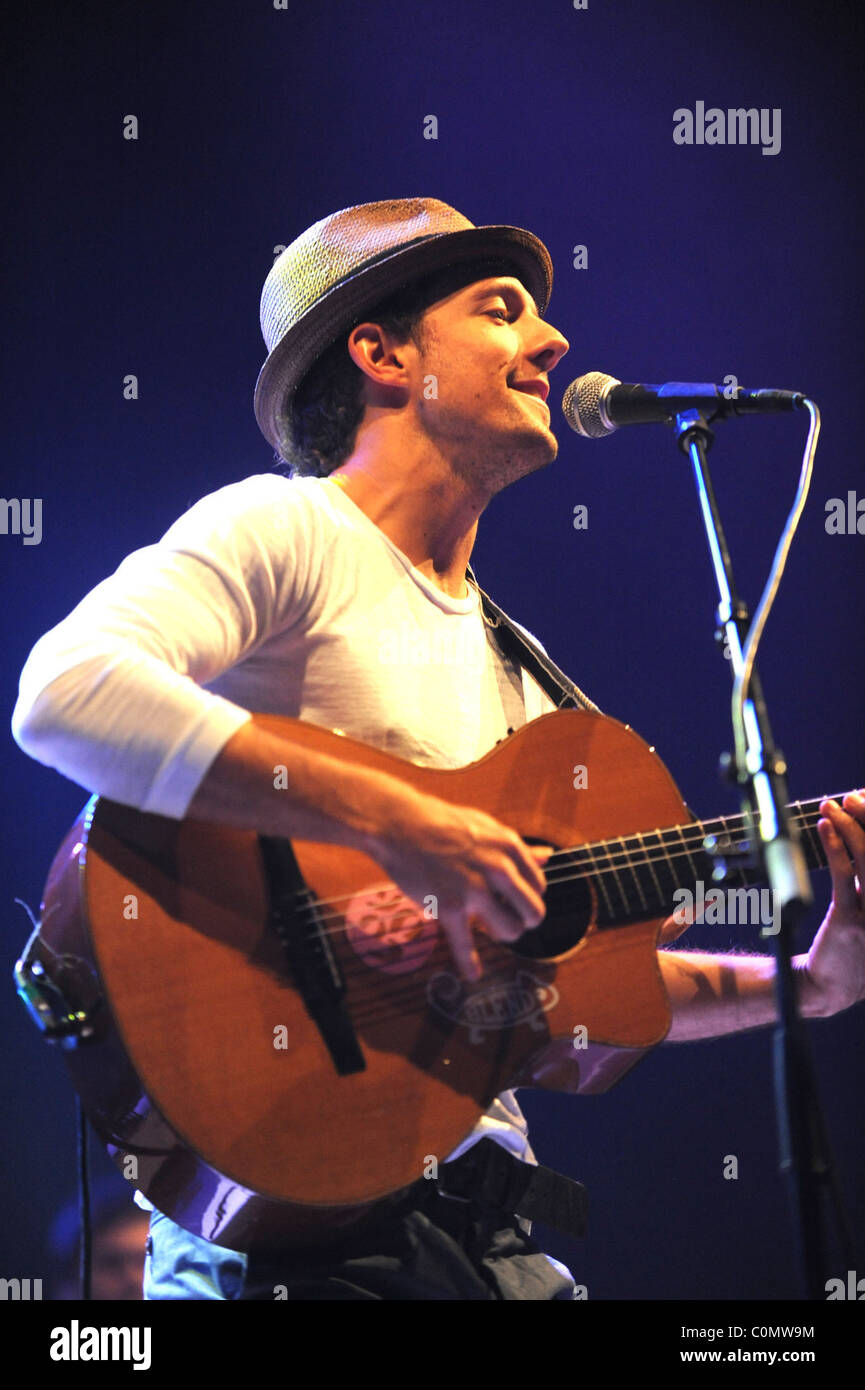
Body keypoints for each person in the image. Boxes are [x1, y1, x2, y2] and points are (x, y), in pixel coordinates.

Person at [12, 197, 865, 1300]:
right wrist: (401, 819)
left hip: (481, 1231)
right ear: (381, 352)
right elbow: (62, 691)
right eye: (502, 310)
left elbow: (560, 1001)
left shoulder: (524, 671)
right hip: (281, 1244)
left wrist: (810, 977)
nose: (553, 342)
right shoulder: (288, 530)